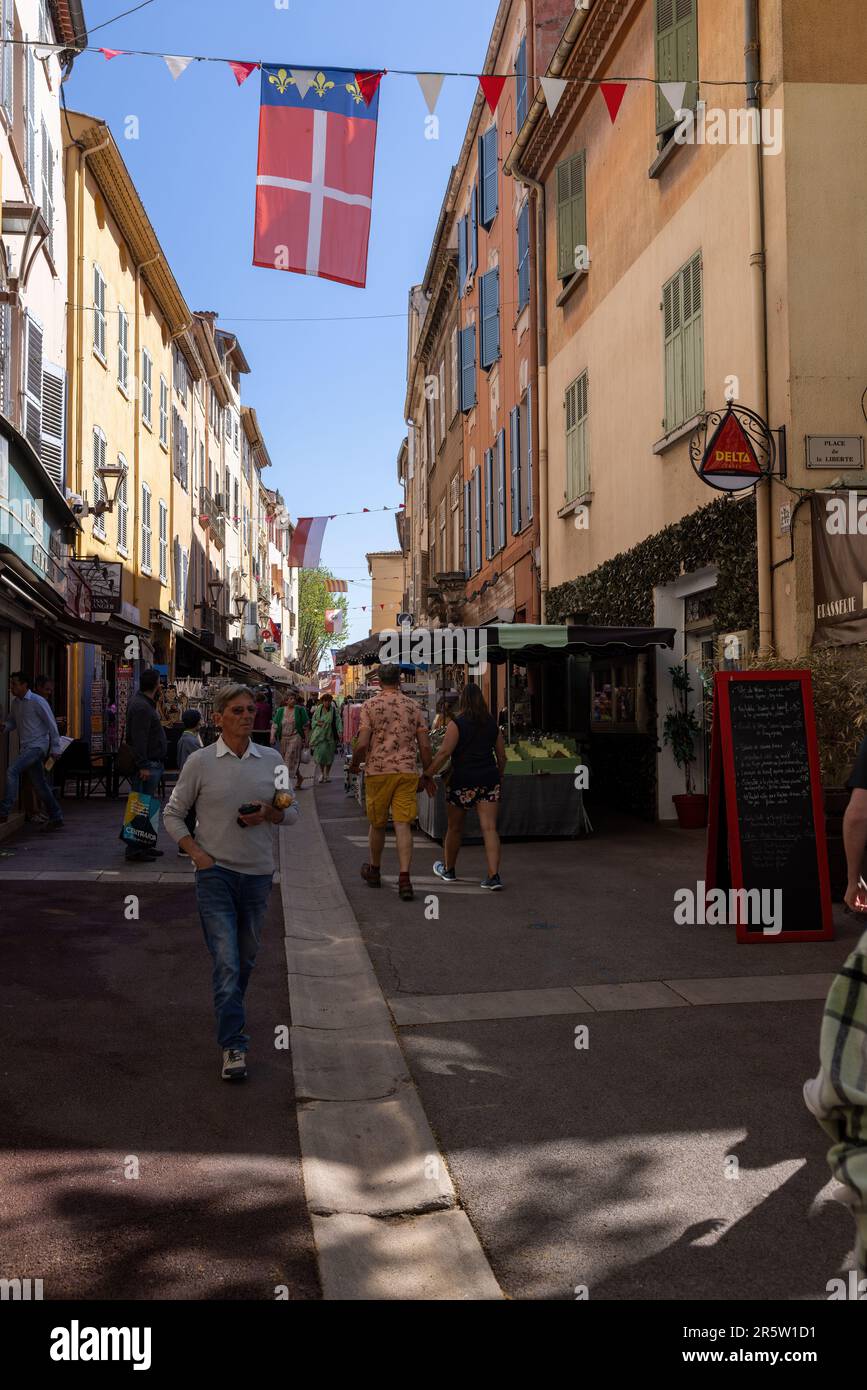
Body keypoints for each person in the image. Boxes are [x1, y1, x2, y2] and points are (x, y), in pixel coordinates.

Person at [164, 683, 298, 1082]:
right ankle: (234, 1044)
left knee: (245, 960)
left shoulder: (272, 759)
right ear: (218, 717)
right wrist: (197, 854)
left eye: (250, 709)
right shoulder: (201, 762)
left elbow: (292, 812)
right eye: (237, 710)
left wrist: (270, 814)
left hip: (258, 875)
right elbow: (173, 814)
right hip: (215, 875)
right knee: (226, 961)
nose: (246, 716)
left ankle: (229, 1014)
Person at [347, 664, 434, 902]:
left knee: (377, 824)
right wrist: (427, 773)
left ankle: (375, 870)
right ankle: (404, 877)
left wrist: (355, 764)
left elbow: (363, 743)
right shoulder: (414, 706)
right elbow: (425, 746)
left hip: (378, 771)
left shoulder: (370, 706)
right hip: (407, 771)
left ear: (378, 681)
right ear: (400, 680)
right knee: (403, 824)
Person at [425, 682, 506, 890]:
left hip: (463, 779)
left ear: (463, 701)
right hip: (488, 778)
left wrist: (427, 774)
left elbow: (444, 753)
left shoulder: (457, 724)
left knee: (454, 827)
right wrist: (499, 774)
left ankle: (449, 870)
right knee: (489, 828)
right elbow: (502, 755)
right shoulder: (491, 724)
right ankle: (493, 875)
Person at [0, 671, 64, 830]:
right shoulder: (16, 704)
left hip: (38, 746)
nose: (11, 687)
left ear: (24, 685)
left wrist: (56, 748)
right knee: (40, 785)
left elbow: (51, 724)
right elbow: (12, 722)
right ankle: (56, 815)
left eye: (14, 684)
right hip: (27, 747)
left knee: (12, 771)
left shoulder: (38, 701)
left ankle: (4, 811)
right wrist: (4, 727)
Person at [123, 668, 167, 863]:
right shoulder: (142, 706)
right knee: (140, 806)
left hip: (150, 761)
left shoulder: (144, 703)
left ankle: (145, 844)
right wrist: (142, 765)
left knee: (147, 806)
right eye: (160, 682)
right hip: (147, 763)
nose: (161, 686)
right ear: (155, 684)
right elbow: (139, 739)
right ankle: (134, 849)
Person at [175, 709, 203, 857]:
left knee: (190, 814)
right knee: (190, 815)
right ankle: (186, 847)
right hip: (190, 782)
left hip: (186, 781)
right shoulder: (190, 741)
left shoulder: (185, 738)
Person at [271, 689, 310, 789]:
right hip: (284, 738)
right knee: (290, 760)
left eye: (294, 698)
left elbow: (305, 726)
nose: (293, 700)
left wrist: (307, 739)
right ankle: (299, 777)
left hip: (296, 737)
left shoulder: (300, 710)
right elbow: (275, 725)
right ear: (286, 700)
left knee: (288, 759)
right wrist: (272, 736)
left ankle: (283, 785)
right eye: (290, 699)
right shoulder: (280, 711)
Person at [310, 692, 340, 783]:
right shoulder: (318, 710)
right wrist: (317, 723)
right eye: (325, 701)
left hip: (330, 736)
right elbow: (313, 721)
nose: (327, 703)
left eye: (329, 701)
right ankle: (322, 773)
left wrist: (340, 731)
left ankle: (327, 774)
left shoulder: (334, 710)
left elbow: (338, 721)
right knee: (321, 755)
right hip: (320, 736)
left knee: (330, 756)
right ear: (322, 701)